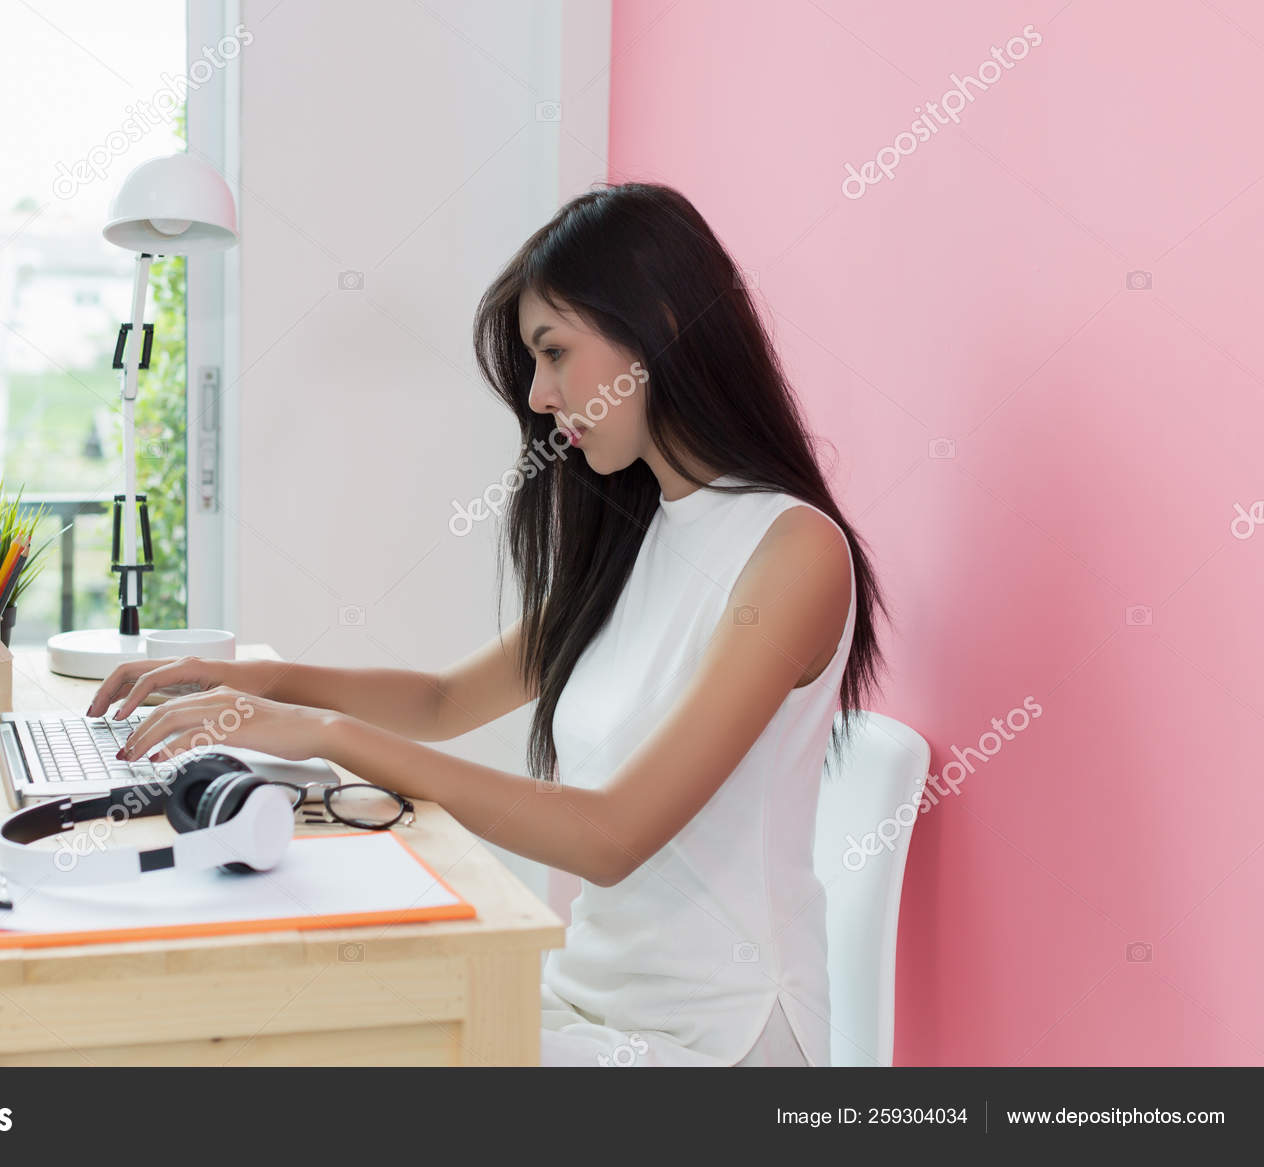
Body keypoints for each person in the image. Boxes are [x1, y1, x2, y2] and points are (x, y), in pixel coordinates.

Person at [86, 182, 889, 1066]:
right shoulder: (639, 533)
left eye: (555, 352)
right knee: (329, 1021)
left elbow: (610, 835)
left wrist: (323, 732)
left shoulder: (793, 554)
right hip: (589, 996)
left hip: (722, 1040)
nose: (541, 395)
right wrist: (253, 679)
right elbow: (439, 700)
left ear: (657, 321)